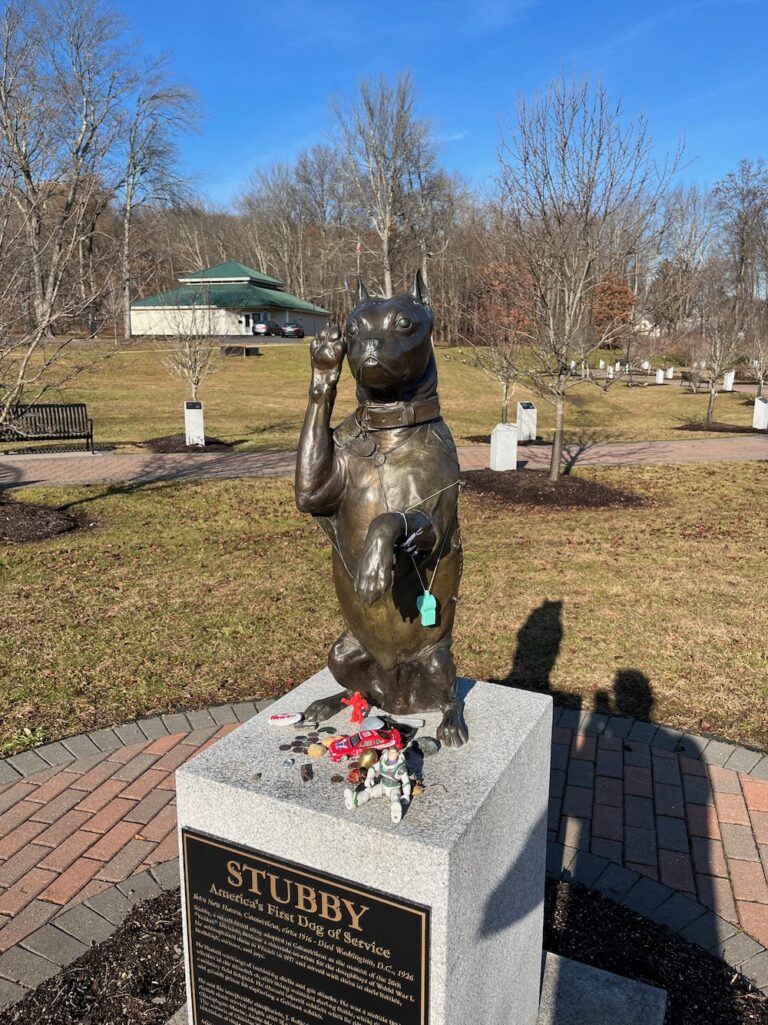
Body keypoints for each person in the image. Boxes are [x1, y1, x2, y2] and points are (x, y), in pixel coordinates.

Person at [344, 747, 411, 824]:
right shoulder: (383, 761)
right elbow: (373, 768)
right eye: (391, 752)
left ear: (397, 753)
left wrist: (406, 795)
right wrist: (369, 777)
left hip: (394, 787)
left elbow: (406, 782)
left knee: (395, 797)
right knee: (370, 791)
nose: (392, 754)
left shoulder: (401, 767)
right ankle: (355, 801)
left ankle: (396, 809)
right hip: (383, 785)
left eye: (394, 752)